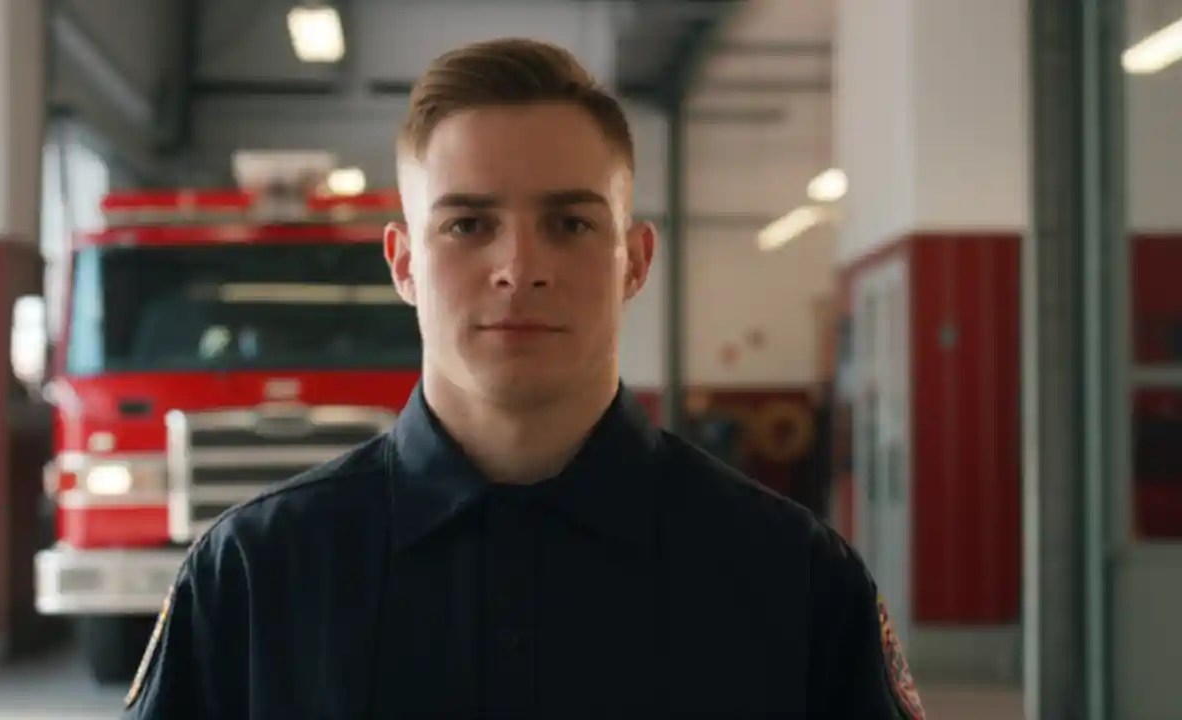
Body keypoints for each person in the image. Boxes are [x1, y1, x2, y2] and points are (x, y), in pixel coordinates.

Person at [123, 38, 925, 719]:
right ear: (403, 264)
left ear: (636, 261)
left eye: (570, 224)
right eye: (469, 224)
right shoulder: (253, 580)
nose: (519, 268)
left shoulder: (794, 581)